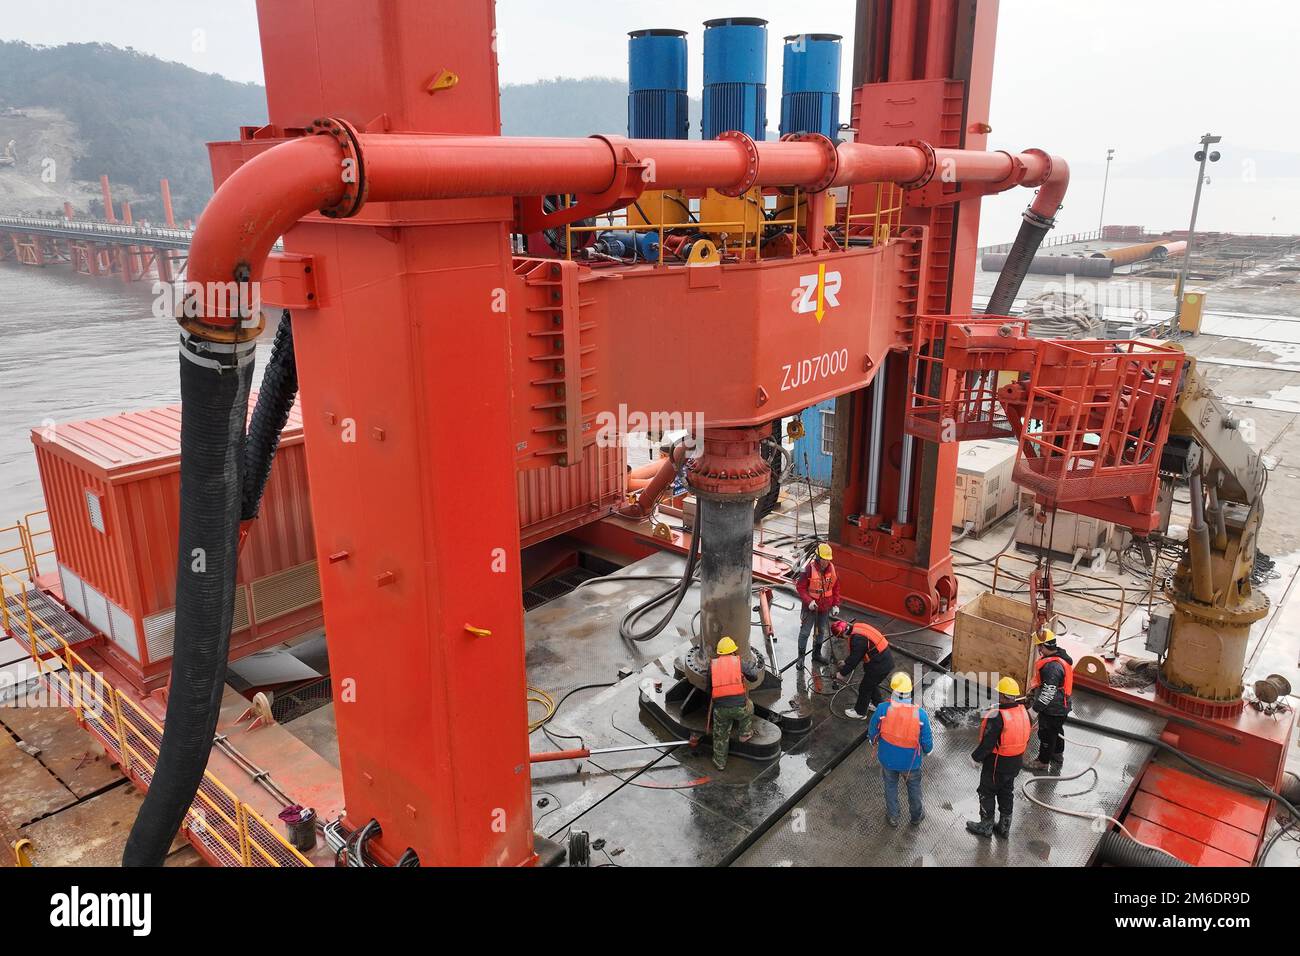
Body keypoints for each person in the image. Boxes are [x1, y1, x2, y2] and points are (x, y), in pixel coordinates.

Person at [966, 676, 1032, 838]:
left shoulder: (997, 716)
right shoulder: (1023, 712)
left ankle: (986, 825)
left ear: (1003, 695)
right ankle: (1004, 827)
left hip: (997, 763)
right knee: (1006, 791)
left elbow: (988, 742)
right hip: (1016, 761)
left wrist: (976, 757)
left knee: (986, 791)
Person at [869, 672, 934, 827]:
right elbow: (927, 741)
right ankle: (916, 816)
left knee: (890, 787)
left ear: (894, 692)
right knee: (914, 789)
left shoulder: (882, 709)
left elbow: (873, 730)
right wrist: (928, 750)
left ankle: (893, 817)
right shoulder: (921, 715)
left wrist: (873, 741)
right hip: (911, 764)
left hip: (888, 760)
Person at [708, 636, 761, 772]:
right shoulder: (739, 663)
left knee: (720, 735)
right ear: (733, 651)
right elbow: (754, 676)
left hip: (720, 709)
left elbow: (709, 686)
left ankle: (719, 763)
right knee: (749, 707)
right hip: (740, 707)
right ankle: (744, 734)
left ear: (719, 653)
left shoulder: (712, 665)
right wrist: (749, 666)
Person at [1026, 629, 1074, 774]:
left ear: (1042, 646)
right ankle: (1057, 755)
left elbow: (1048, 692)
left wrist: (1035, 709)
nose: (1038, 650)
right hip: (1061, 706)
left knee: (1047, 734)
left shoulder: (1052, 667)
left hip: (1053, 709)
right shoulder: (1060, 657)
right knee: (1057, 731)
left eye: (1039, 647)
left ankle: (1042, 761)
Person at [833, 618, 894, 719]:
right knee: (871, 684)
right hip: (884, 660)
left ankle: (860, 712)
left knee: (865, 688)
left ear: (842, 634)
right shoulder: (858, 628)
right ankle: (877, 704)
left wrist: (841, 674)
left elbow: (854, 659)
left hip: (879, 665)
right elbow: (857, 654)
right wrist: (846, 662)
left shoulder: (857, 640)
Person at [795, 543, 840, 667]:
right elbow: (800, 587)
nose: (826, 562)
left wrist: (835, 604)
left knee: (821, 632)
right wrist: (809, 601)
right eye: (824, 559)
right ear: (818, 558)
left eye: (828, 560)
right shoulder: (808, 569)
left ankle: (816, 654)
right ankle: (801, 658)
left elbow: (836, 588)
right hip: (810, 608)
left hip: (824, 608)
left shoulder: (832, 570)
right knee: (805, 632)